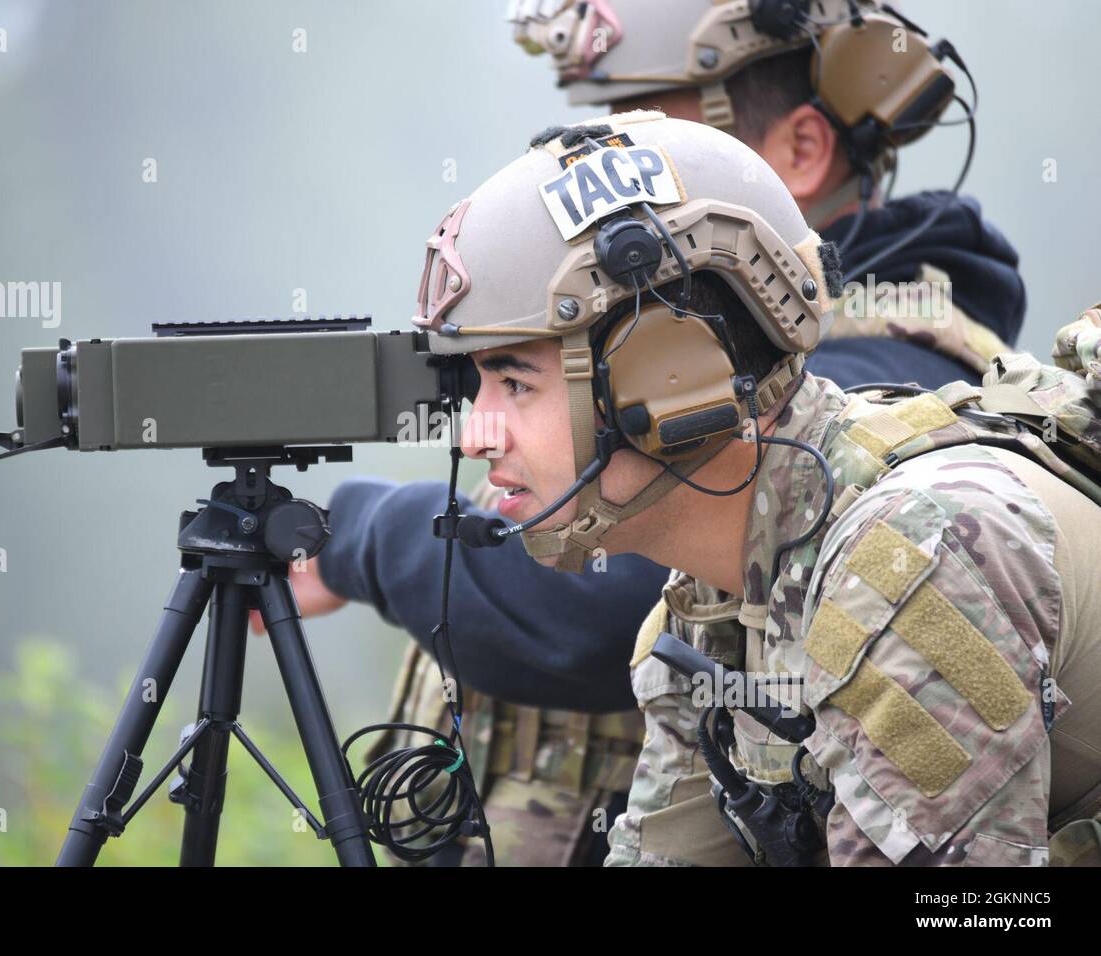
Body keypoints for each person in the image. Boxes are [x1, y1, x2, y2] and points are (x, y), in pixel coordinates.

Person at [277, 1, 1027, 865]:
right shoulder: (687, 601)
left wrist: (364, 536)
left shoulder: (869, 397)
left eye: (649, 127)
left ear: (802, 150)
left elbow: (582, 608)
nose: (616, 165)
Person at [405, 109, 1101, 865]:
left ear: (671, 379)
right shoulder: (708, 613)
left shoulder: (912, 556)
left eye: (514, 382)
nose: (474, 434)